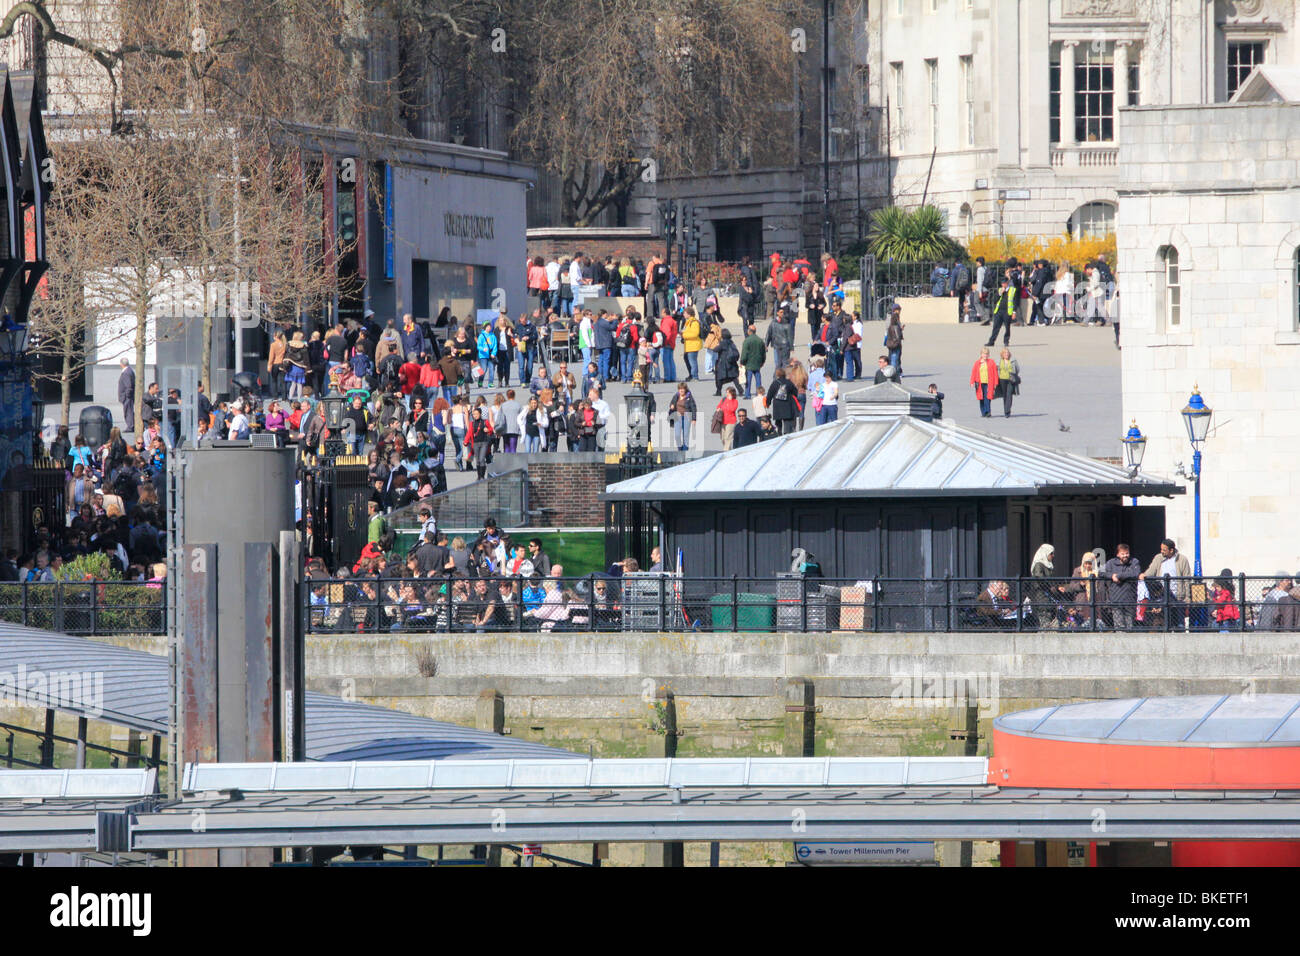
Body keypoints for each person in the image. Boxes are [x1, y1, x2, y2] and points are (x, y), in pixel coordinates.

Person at [1140, 538, 1192, 631]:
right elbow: (1151, 570)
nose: (1162, 552)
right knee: (1164, 620)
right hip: (1163, 594)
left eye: (1164, 550)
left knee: (1179, 623)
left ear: (1171, 550)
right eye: (1161, 549)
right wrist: (1144, 575)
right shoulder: (1158, 558)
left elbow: (1187, 579)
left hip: (1178, 596)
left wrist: (1187, 597)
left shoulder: (1182, 559)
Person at [1103, 543, 1142, 630]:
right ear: (1118, 554)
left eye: (1127, 553)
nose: (1125, 555)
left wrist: (1119, 576)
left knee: (1129, 626)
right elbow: (1102, 573)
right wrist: (1112, 576)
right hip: (1115, 599)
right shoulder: (1110, 563)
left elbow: (1135, 574)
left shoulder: (1134, 561)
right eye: (1123, 553)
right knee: (1118, 627)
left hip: (1130, 598)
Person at [985, 272, 1016, 348]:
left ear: (1007, 283)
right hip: (999, 311)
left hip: (1007, 311)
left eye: (1004, 283)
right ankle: (991, 341)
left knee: (1007, 327)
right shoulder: (999, 290)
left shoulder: (1012, 290)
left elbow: (1015, 302)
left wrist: (1014, 312)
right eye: (1002, 283)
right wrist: (999, 294)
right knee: (996, 327)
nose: (1003, 285)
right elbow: (994, 300)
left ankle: (1006, 341)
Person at [765, 367, 799, 434]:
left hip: (777, 405)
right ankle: (786, 433)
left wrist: (767, 403)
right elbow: (795, 392)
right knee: (787, 421)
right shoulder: (789, 382)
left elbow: (770, 394)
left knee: (778, 420)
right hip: (787, 404)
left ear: (777, 375)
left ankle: (779, 433)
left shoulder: (775, 383)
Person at [969, 347, 999, 418]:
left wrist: (995, 383)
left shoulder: (991, 362)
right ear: (981, 354)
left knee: (988, 397)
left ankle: (988, 411)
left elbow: (995, 373)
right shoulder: (977, 363)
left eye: (986, 354)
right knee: (981, 398)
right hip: (979, 383)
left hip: (989, 383)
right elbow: (973, 373)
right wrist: (972, 382)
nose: (985, 355)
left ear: (988, 355)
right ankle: (983, 412)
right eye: (984, 354)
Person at [668, 383, 696, 452]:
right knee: (677, 435)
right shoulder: (676, 396)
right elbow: (671, 403)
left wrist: (694, 419)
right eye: (680, 389)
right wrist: (671, 406)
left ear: (685, 389)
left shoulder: (689, 397)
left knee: (685, 435)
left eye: (682, 389)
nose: (681, 391)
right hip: (677, 417)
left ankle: (685, 451)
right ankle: (680, 449)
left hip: (687, 417)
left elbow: (693, 408)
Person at [740, 324, 766, 399]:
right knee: (758, 378)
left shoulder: (747, 340)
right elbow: (763, 352)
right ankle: (759, 393)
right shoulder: (760, 340)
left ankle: (747, 394)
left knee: (748, 379)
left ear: (749, 331)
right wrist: (763, 361)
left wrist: (742, 361)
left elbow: (744, 353)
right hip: (757, 363)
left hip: (749, 363)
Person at [713, 328, 740, 397]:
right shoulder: (731, 342)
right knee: (734, 377)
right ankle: (740, 389)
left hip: (724, 363)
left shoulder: (722, 343)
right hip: (731, 361)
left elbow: (715, 350)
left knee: (719, 378)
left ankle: (718, 391)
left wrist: (715, 345)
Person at [995, 348, 1020, 418]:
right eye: (1005, 353)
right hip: (1002, 379)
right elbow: (996, 369)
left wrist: (1014, 375)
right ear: (1002, 354)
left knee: (1009, 394)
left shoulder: (1013, 361)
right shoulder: (999, 361)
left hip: (1010, 380)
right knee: (1005, 395)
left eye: (1007, 353)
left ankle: (1007, 411)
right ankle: (1006, 409)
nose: (1006, 354)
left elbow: (1017, 369)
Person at [716, 386, 739, 450]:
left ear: (732, 393)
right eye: (726, 392)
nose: (727, 394)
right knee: (723, 438)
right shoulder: (723, 399)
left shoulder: (735, 401)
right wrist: (718, 409)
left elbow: (732, 409)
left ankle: (725, 452)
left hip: (731, 422)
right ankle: (729, 450)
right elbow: (718, 406)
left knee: (728, 437)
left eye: (728, 392)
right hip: (722, 421)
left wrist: (730, 400)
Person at [884, 305, 904, 377]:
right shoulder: (893, 319)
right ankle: (895, 372)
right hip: (895, 343)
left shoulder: (890, 320)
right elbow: (897, 336)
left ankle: (895, 371)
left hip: (890, 341)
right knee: (895, 358)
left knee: (892, 357)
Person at [117, 358, 135, 433]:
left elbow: (129, 386)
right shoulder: (129, 371)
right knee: (129, 411)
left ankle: (130, 426)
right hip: (127, 396)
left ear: (121, 364)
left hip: (127, 397)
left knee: (128, 411)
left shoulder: (126, 372)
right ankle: (131, 425)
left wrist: (126, 396)